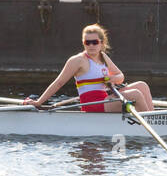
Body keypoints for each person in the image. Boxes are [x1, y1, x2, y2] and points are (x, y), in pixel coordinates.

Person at [24, 25, 154, 112]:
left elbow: (121, 76)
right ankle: (151, 125)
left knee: (142, 86)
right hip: (90, 103)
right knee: (135, 94)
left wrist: (112, 78)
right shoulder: (77, 60)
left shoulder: (103, 56)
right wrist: (39, 102)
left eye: (95, 42)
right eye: (87, 42)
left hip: (104, 98)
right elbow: (59, 83)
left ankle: (155, 119)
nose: (91, 46)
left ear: (101, 43)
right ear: (83, 43)